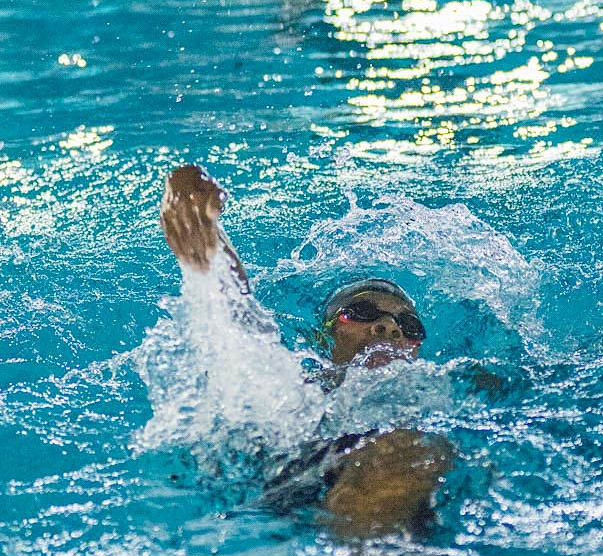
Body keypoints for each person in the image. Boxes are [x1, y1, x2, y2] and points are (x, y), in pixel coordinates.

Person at [160, 164, 452, 536]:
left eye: (409, 326)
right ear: (322, 340)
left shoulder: (449, 386)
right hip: (282, 483)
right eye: (361, 313)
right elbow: (237, 319)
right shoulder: (299, 386)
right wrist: (202, 227)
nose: (389, 326)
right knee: (402, 451)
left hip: (384, 486)